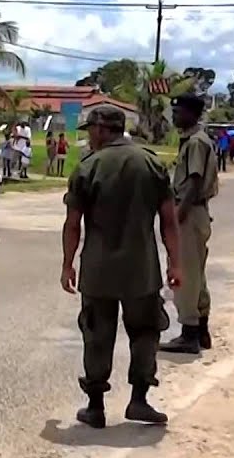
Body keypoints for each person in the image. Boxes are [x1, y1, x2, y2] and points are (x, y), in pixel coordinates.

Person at [61, 105, 180, 429]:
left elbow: (73, 224)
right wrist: (176, 263)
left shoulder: (88, 167)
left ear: (101, 129)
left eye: (90, 130)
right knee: (145, 332)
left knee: (97, 335)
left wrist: (67, 264)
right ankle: (139, 400)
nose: (89, 136)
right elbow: (169, 221)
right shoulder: (151, 163)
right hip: (142, 269)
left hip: (98, 269)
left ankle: (95, 407)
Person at [160, 95, 219, 355]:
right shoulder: (197, 140)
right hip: (197, 212)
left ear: (192, 114)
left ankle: (189, 333)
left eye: (179, 112)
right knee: (196, 274)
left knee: (184, 273)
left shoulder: (195, 142)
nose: (175, 117)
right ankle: (201, 328)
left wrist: (177, 216)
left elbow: (194, 182)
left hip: (189, 211)